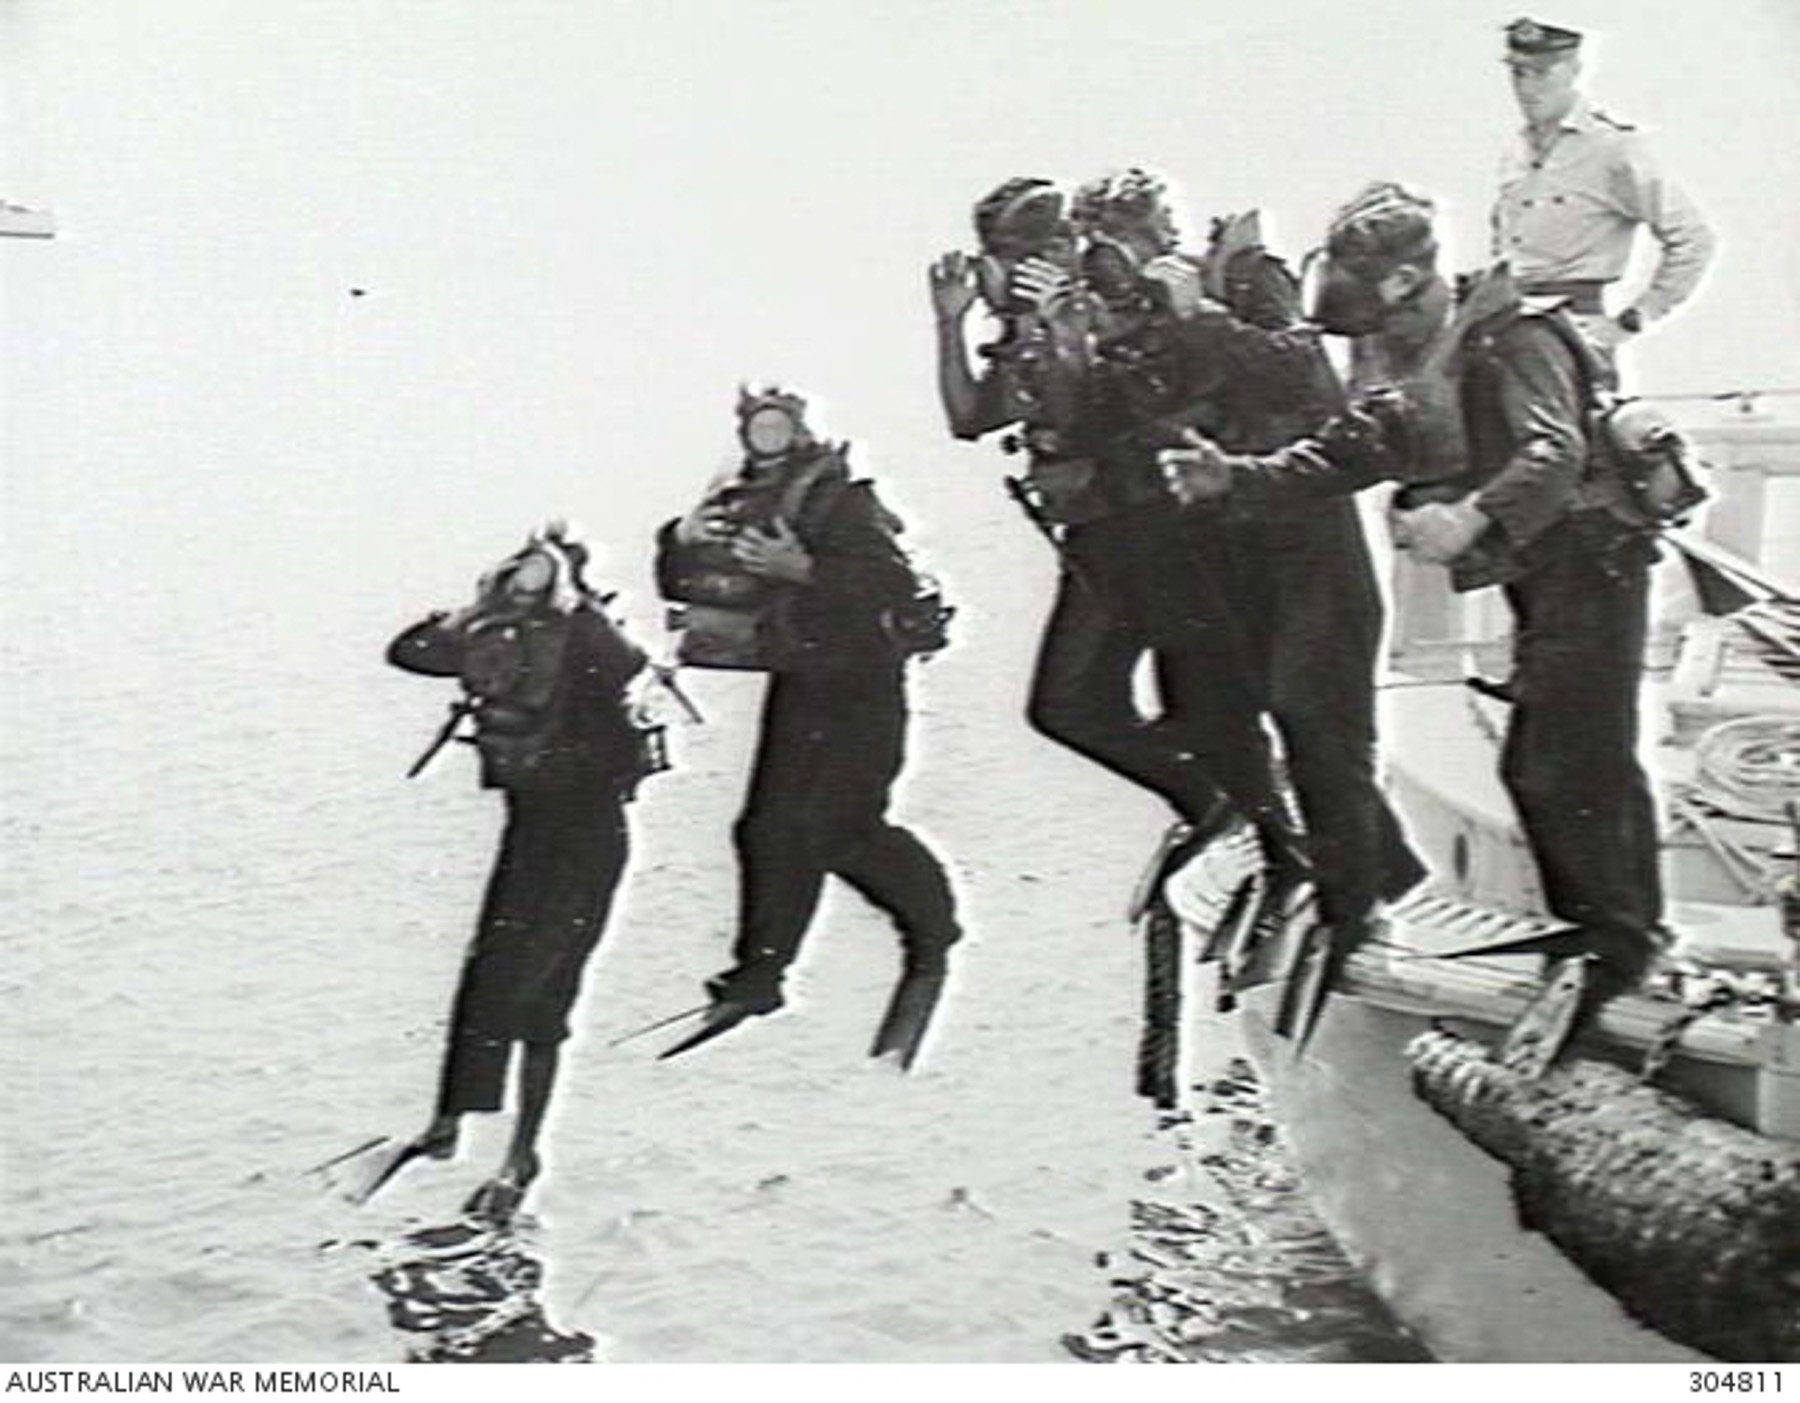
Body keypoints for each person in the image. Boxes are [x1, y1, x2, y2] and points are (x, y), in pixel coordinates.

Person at [1161, 182, 1665, 1010]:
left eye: (1373, 302)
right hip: (1546, 573)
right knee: (1568, 754)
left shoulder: (1514, 337)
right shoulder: (1410, 354)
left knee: (1563, 758)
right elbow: (1344, 453)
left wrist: (1469, 515)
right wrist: (1234, 477)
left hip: (1594, 560)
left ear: (1402, 281)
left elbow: (1554, 452)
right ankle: (1614, 930)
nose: (1372, 335)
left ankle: (1618, 942)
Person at [928, 176, 1306, 914]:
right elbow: (972, 416)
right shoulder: (1031, 320)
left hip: (1161, 531)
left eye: (1008, 256)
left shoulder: (1104, 302)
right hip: (1102, 538)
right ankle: (1223, 813)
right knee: (1071, 703)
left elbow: (1087, 413)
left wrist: (1062, 328)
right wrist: (950, 326)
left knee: (1211, 706)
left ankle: (1277, 845)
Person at [1069, 170, 1426, 943]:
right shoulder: (1125, 310)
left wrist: (1200, 315)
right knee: (1219, 711)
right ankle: (1345, 868)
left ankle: (1359, 904)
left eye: (1125, 236)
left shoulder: (1245, 276)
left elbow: (1308, 378)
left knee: (1317, 715)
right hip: (1225, 542)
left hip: (1306, 534)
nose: (1115, 256)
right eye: (1098, 242)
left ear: (1162, 230)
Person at [653, 387, 961, 1067]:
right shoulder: (735, 498)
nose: (766, 437)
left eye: (777, 426)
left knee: (840, 826)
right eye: (756, 427)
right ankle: (761, 975)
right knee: (765, 827)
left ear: (798, 433)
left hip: (865, 679)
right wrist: (680, 540)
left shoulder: (839, 497)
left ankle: (934, 924)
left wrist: (805, 568)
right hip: (802, 678)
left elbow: (890, 581)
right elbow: (689, 581)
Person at [381, 524, 650, 1219]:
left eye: (542, 570)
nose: (528, 577)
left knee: (544, 996)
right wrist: (471, 612)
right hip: (530, 827)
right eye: (517, 569)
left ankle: (524, 1152)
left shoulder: (585, 641)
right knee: (487, 973)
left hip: (589, 832)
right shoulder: (496, 637)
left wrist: (574, 598)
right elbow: (406, 652)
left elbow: (626, 663)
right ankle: (449, 1122)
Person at [1492, 16, 1714, 382]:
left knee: (1553, 439)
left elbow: (1694, 240)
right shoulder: (1517, 149)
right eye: (1518, 73)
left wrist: (1632, 320)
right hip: (1505, 325)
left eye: (1542, 73)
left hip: (1570, 337)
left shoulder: (1613, 148)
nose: (1527, 88)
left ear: (1575, 70)